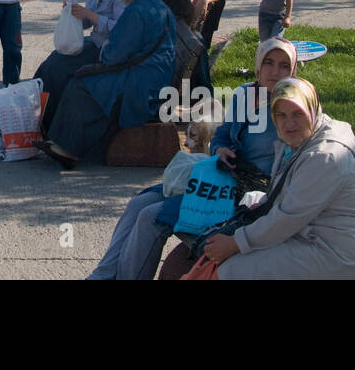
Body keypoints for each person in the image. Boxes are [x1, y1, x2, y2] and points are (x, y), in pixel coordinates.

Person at [90, 37, 296, 279]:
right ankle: (101, 276)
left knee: (151, 217)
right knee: (139, 203)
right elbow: (222, 135)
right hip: (219, 177)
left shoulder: (292, 110)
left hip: (243, 198)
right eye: (269, 63)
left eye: (284, 65)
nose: (275, 72)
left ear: (292, 72)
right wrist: (220, 149)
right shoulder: (245, 93)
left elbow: (295, 163)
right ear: (258, 67)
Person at [203, 76, 355, 280]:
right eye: (281, 115)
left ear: (312, 109)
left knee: (231, 270)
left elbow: (288, 218)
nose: (289, 124)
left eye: (298, 113)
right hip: (307, 235)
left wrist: (236, 243)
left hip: (333, 255)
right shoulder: (301, 139)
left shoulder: (326, 157)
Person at [34, 0, 177, 169]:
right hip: (155, 77)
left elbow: (114, 55)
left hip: (141, 82)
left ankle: (68, 149)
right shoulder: (161, 7)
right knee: (82, 78)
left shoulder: (137, 10)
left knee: (81, 85)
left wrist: (106, 49)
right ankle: (62, 142)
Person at [34, 0, 125, 133]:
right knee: (50, 63)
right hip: (93, 42)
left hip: (106, 49)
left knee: (60, 70)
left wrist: (90, 15)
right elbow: (87, 22)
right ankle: (36, 116)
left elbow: (120, 28)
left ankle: (51, 123)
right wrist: (74, 13)